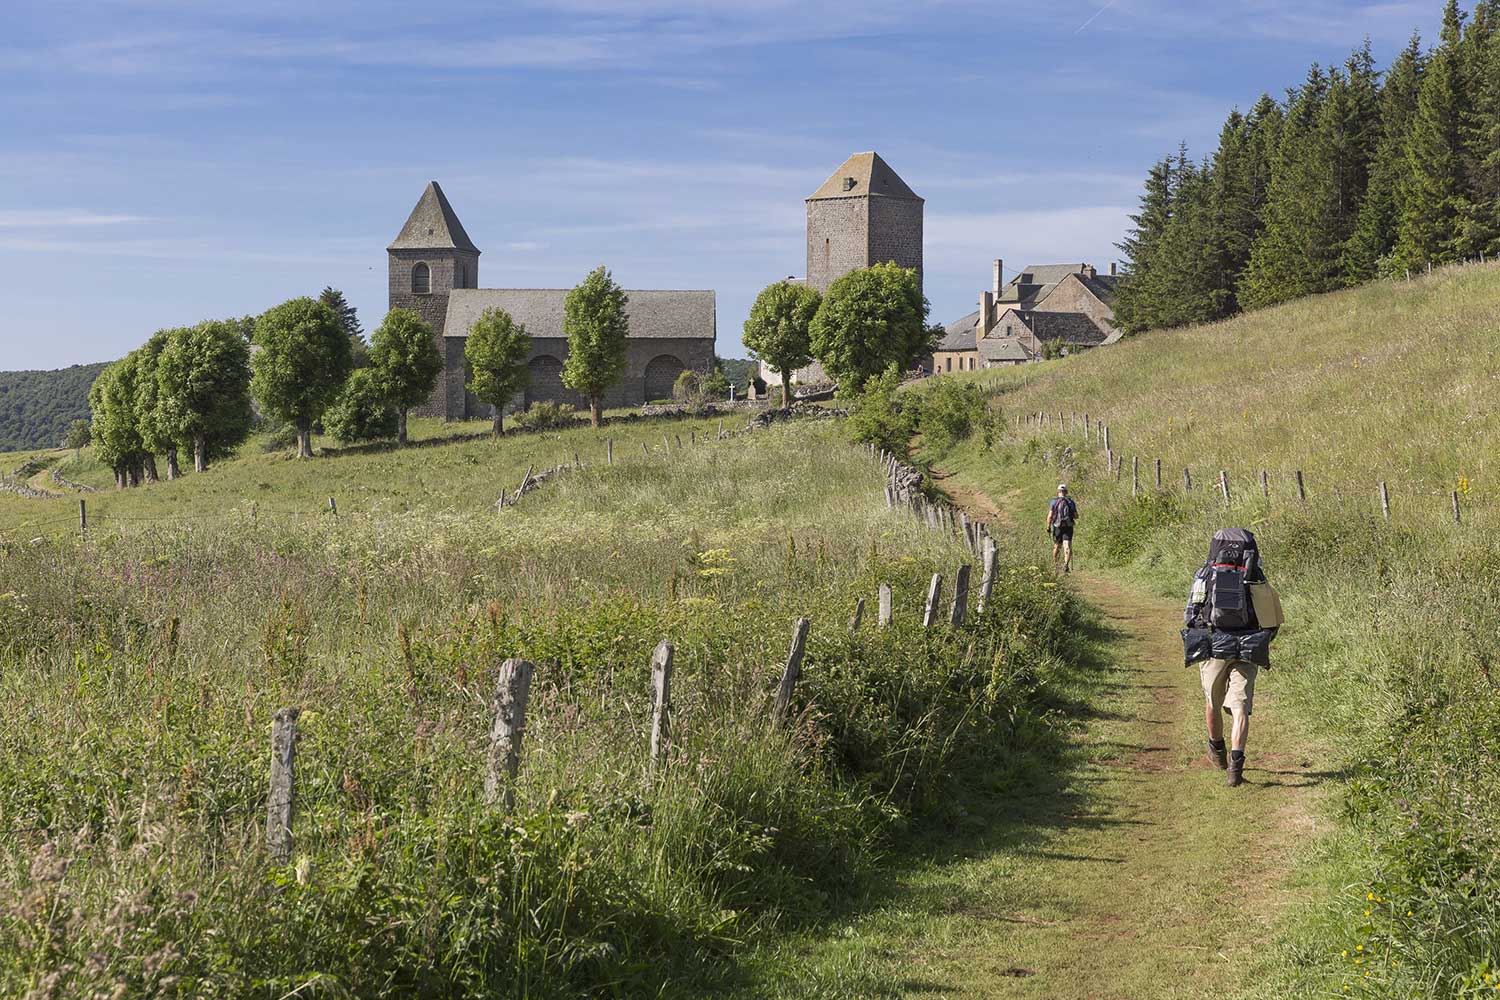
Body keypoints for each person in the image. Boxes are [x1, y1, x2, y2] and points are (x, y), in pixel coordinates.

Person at [1182, 528, 1283, 787]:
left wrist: (1199, 636)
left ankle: (1217, 752)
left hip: (1215, 644)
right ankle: (1235, 771)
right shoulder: (1256, 576)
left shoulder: (1205, 573)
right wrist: (1262, 641)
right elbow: (1272, 619)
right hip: (1248, 645)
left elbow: (1191, 612)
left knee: (1212, 702)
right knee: (1240, 708)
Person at [1045, 484, 1079, 573]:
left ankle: (1055, 564)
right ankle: (1066, 565)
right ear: (1066, 492)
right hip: (1068, 527)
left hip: (1057, 526)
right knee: (1067, 546)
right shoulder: (1071, 502)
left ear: (1058, 492)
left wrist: (1048, 527)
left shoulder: (1053, 502)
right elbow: (1076, 516)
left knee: (1057, 546)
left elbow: (1050, 516)